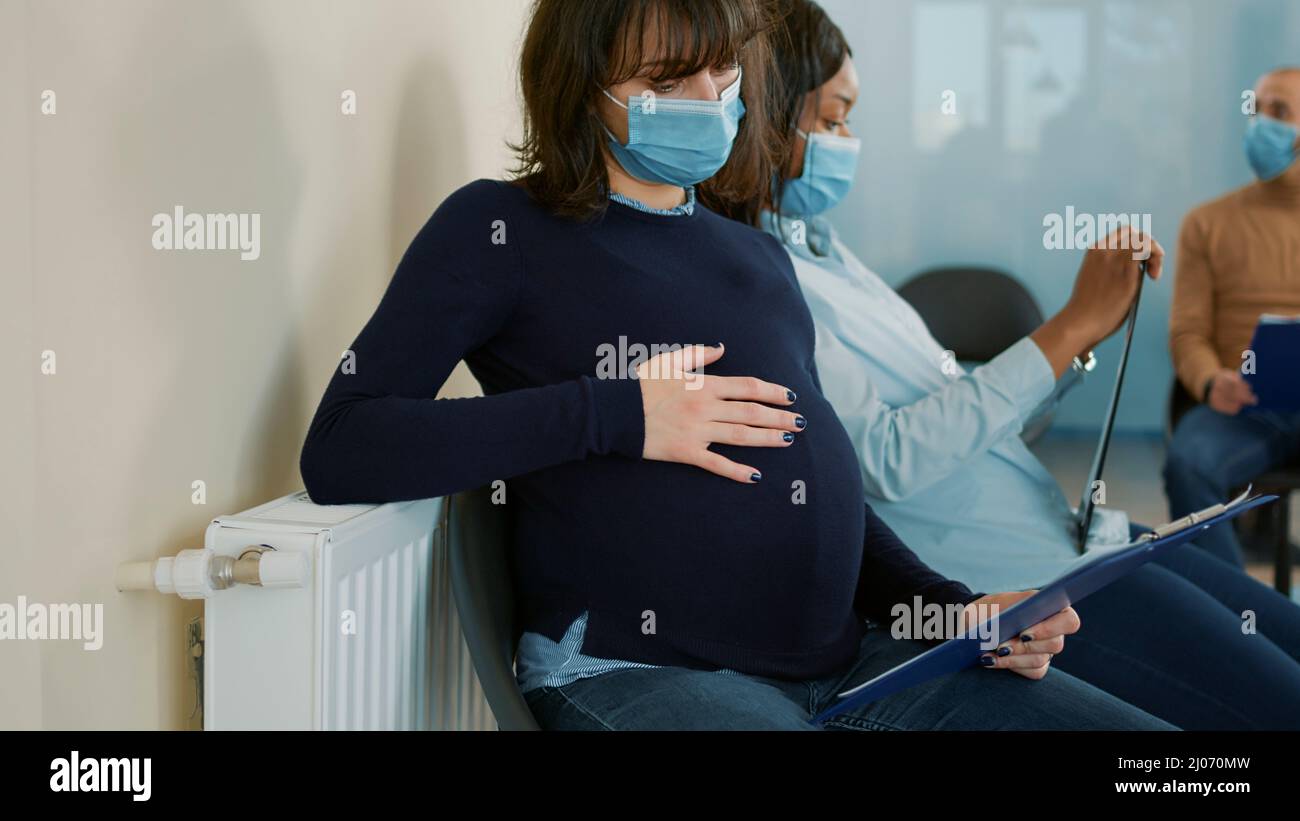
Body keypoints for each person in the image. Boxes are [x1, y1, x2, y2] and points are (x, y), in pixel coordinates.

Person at [298, 0, 1170, 731]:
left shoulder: (754, 257)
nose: (708, 99)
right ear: (581, 89)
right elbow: (343, 444)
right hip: (635, 670)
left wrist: (947, 609)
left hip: (854, 660)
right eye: (665, 82)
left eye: (720, 74)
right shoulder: (499, 230)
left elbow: (822, 479)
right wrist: (620, 413)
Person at [757, 0, 1300, 729]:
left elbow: (960, 402)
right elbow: (884, 459)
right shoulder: (764, 281)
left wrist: (1082, 332)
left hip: (1076, 536)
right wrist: (1071, 324)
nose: (848, 139)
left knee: (1286, 633)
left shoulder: (820, 247)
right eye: (831, 118)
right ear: (764, 115)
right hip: (1022, 584)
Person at [1165, 66, 1300, 568]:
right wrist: (1209, 380)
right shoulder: (1208, 223)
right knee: (1188, 464)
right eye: (1256, 110)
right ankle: (1245, 622)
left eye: (1280, 112)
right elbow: (1187, 332)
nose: (1261, 124)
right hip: (1240, 408)